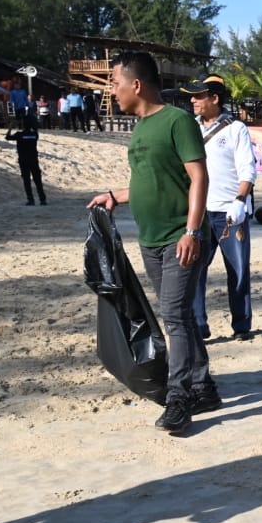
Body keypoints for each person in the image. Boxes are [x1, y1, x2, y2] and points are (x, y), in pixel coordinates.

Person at [85, 50, 221, 435]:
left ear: (136, 84)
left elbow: (199, 178)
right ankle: (203, 386)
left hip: (182, 237)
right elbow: (151, 180)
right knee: (180, 317)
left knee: (176, 317)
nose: (112, 90)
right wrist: (114, 195)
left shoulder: (177, 121)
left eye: (114, 82)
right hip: (150, 239)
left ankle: (179, 399)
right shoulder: (140, 128)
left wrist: (193, 231)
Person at [179, 75, 258, 342]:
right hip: (200, 211)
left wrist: (240, 200)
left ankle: (242, 325)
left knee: (237, 269)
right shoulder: (190, 128)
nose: (193, 100)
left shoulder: (236, 129)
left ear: (214, 99)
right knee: (196, 270)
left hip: (229, 212)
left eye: (198, 96)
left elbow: (247, 168)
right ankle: (199, 324)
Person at [5, 112, 46, 205]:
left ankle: (30, 200)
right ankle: (42, 199)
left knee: (27, 180)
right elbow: (36, 130)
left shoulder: (19, 135)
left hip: (23, 160)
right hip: (34, 159)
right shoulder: (34, 135)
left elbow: (7, 137)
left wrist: (11, 127)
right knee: (37, 180)